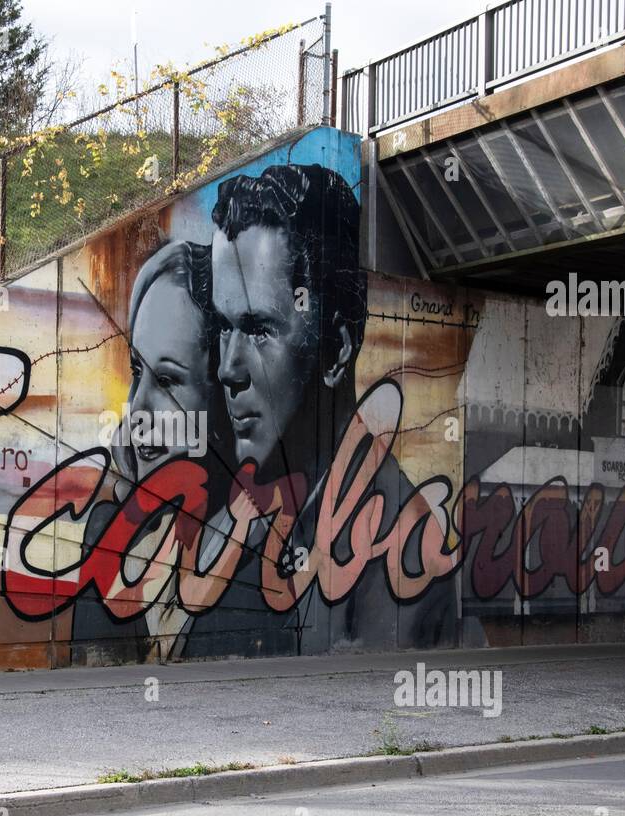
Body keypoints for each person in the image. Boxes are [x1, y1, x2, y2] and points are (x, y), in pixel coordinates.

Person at [190, 163, 457, 654]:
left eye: (259, 330)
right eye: (225, 327)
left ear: (335, 350)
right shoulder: (236, 520)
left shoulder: (405, 551)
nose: (228, 368)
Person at [69, 240, 235, 662]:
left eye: (166, 381)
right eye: (137, 371)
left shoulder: (252, 550)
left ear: (221, 396)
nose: (137, 408)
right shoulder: (110, 534)